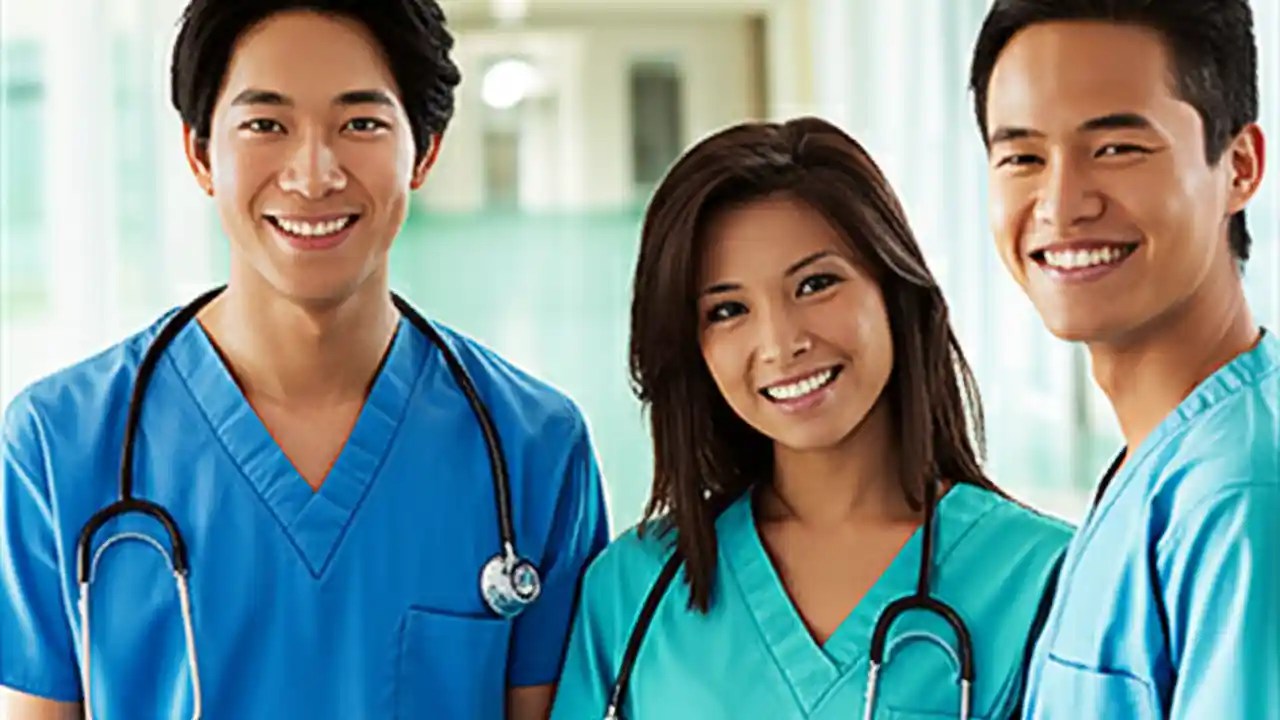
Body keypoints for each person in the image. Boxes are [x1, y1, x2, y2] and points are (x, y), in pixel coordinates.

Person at [0, 2, 609, 718]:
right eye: (266, 124)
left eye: (361, 123)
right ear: (199, 153)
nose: (313, 175)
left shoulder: (532, 445)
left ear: (426, 149)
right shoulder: (58, 444)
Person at [549, 117, 1072, 719]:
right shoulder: (633, 589)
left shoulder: (1044, 576)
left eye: (816, 284)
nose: (779, 342)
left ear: (893, 290)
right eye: (727, 310)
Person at [969, 0, 1279, 717]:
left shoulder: (1239, 500)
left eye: (1116, 149)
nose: (1060, 203)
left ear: (1238, 166)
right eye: (1021, 157)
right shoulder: (1166, 464)